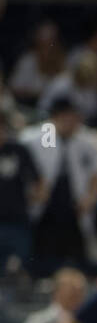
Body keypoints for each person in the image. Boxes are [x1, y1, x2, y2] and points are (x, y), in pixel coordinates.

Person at [20, 97, 97, 273]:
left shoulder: (88, 140)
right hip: (43, 209)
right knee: (42, 260)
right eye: (66, 117)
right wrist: (31, 194)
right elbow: (22, 172)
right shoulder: (36, 137)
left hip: (75, 208)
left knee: (77, 261)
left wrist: (90, 199)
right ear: (55, 117)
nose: (71, 122)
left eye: (75, 117)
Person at [0, 115, 46, 271]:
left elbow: (38, 180)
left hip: (17, 221)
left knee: (20, 267)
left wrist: (35, 199)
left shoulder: (18, 150)